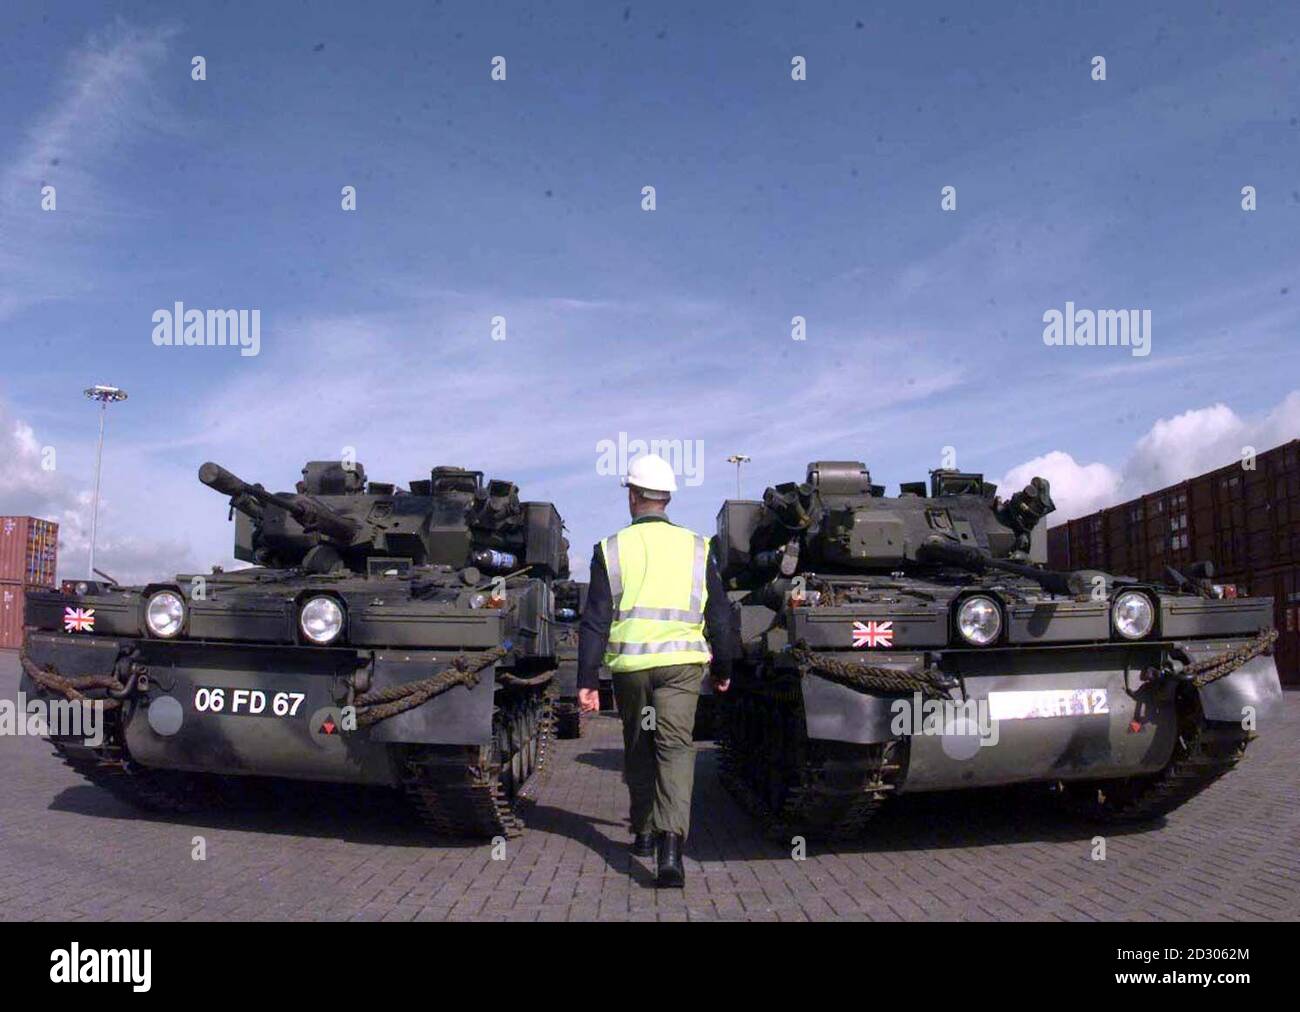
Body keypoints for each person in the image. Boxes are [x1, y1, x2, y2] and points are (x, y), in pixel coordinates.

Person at [577, 452, 737, 887]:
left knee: (639, 746)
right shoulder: (698, 547)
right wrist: (723, 665)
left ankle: (644, 832)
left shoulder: (610, 549)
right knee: (674, 748)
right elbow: (720, 616)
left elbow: (594, 620)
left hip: (630, 668)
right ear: (666, 498)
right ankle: (671, 849)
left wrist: (587, 680)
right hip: (682, 667)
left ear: (633, 497)